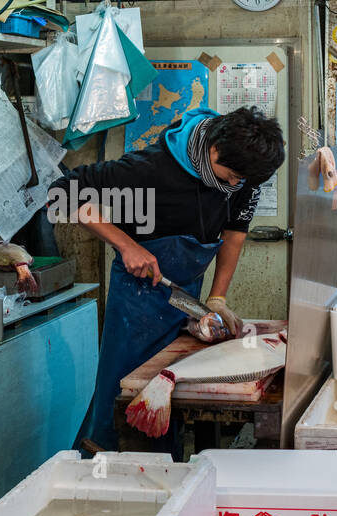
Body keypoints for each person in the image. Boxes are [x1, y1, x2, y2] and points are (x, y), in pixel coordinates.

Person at [50, 106, 286, 455]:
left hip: (184, 296)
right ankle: (106, 474)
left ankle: (167, 474)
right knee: (125, 393)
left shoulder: (244, 176)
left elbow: (234, 233)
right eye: (233, 176)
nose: (237, 185)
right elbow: (62, 194)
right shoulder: (149, 170)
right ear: (214, 150)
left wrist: (217, 299)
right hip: (137, 300)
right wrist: (126, 245)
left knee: (168, 396)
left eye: (244, 181)